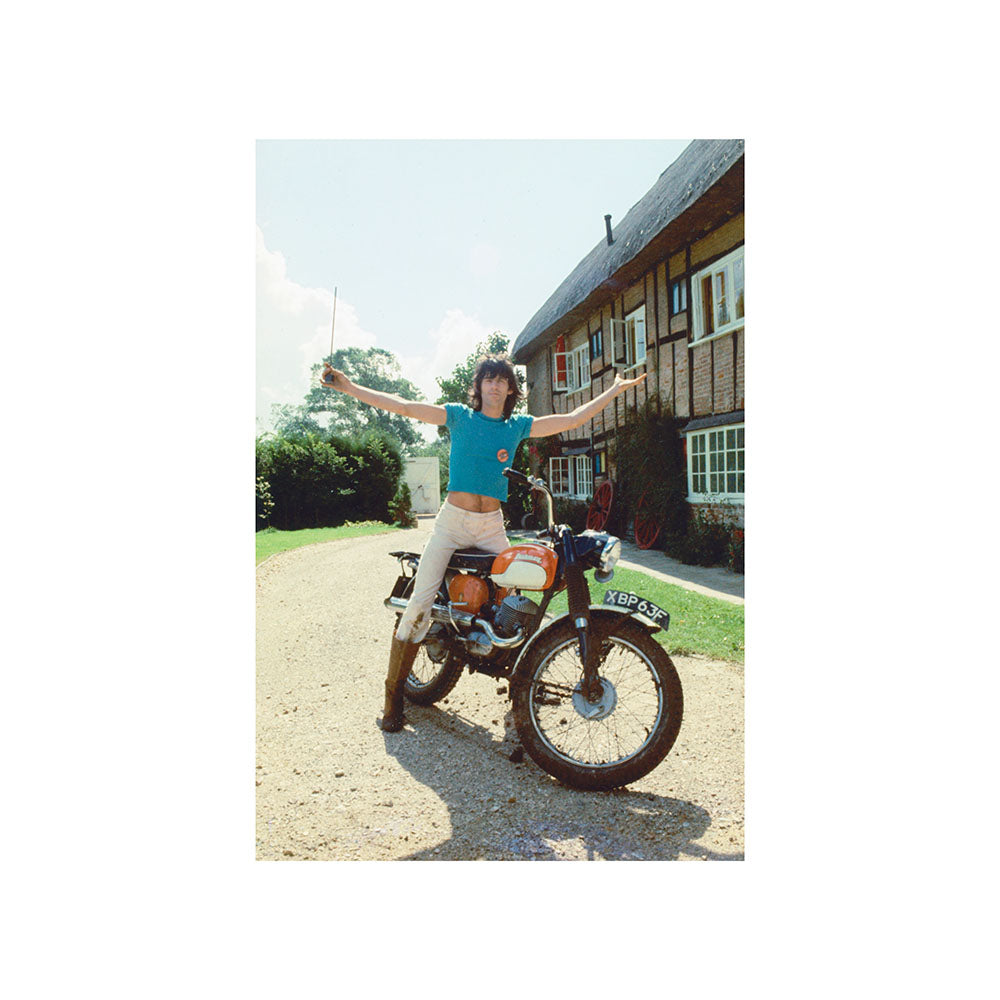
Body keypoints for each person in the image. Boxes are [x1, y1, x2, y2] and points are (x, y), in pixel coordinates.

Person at [321, 354, 646, 732]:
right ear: (477, 387)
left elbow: (572, 420)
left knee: (515, 601)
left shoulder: (517, 426)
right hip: (452, 524)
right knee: (419, 603)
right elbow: (405, 406)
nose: (494, 386)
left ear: (511, 389)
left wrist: (612, 390)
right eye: (487, 379)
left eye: (501, 381)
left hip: (491, 525)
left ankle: (521, 682)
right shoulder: (459, 416)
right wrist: (349, 387)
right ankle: (393, 697)